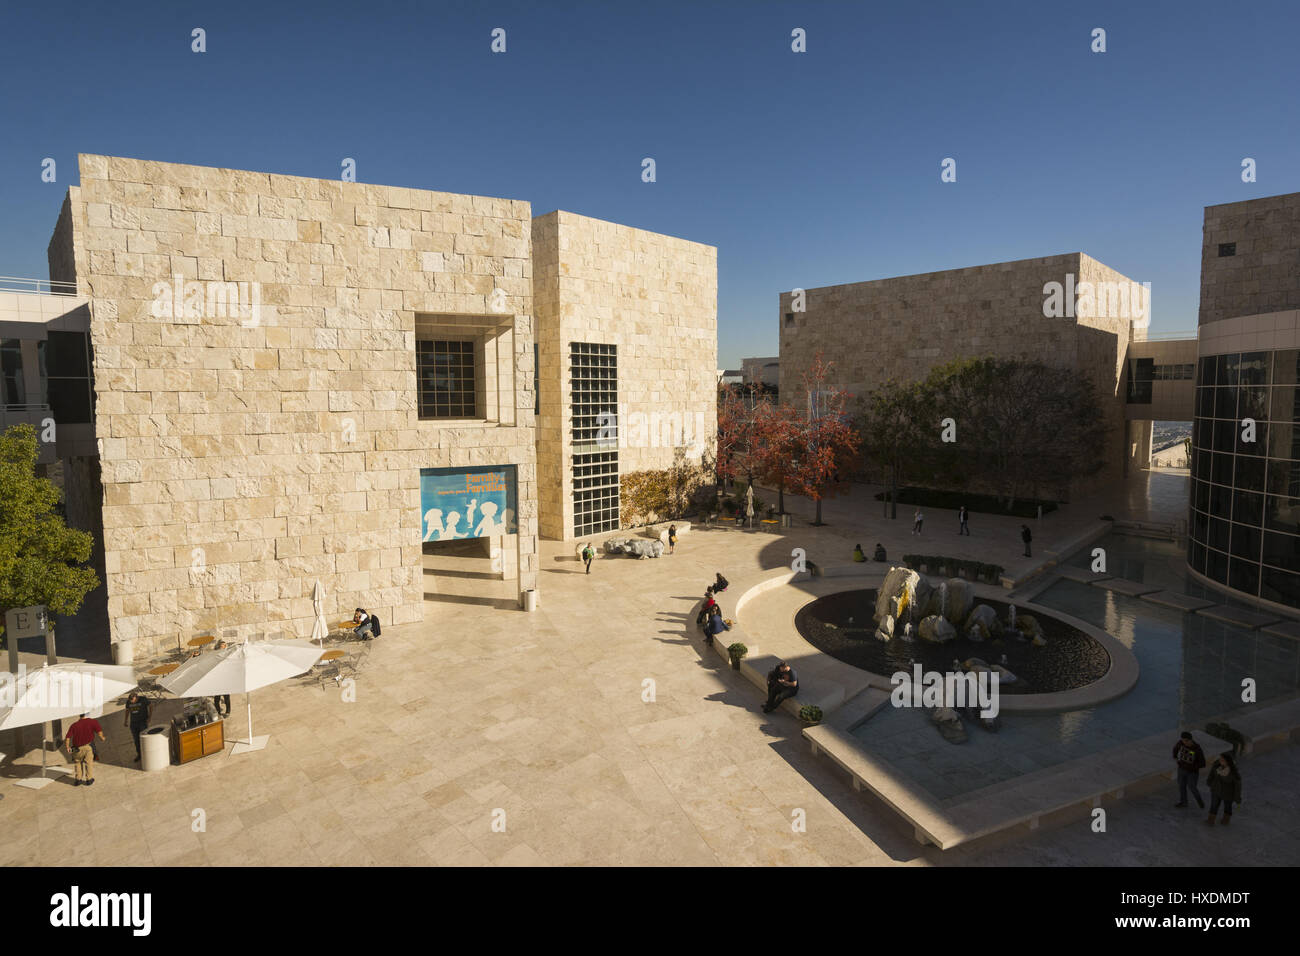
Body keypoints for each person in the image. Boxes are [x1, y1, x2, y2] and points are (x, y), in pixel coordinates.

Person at [64, 713, 105, 787]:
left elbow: (67, 738)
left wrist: (67, 747)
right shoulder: (93, 722)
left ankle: (78, 779)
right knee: (88, 763)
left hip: (76, 749)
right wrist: (102, 738)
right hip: (88, 747)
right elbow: (99, 732)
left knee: (77, 763)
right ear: (88, 714)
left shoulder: (74, 725)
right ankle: (89, 779)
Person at [1172, 731, 1207, 809]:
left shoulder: (1197, 749)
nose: (1184, 742)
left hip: (1192, 773)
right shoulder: (1181, 743)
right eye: (1183, 740)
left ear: (1190, 740)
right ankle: (1183, 802)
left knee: (1192, 787)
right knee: (1181, 786)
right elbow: (1175, 748)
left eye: (1186, 741)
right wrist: (1175, 757)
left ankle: (1200, 802)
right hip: (1181, 769)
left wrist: (1191, 767)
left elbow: (1203, 763)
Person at [1206, 751, 1242, 825]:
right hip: (1216, 790)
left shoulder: (1233, 772)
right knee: (1214, 805)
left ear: (1228, 761)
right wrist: (1210, 782)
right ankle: (1211, 820)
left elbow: (1237, 786)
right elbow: (1211, 775)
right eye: (1220, 759)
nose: (1220, 760)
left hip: (1228, 793)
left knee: (1227, 806)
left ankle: (1226, 820)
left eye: (1222, 760)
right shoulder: (1216, 766)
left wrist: (1237, 798)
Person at [123, 692, 153, 763]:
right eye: (130, 701)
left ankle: (147, 753)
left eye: (132, 700)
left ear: (136, 697)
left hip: (142, 722)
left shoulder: (143, 699)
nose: (131, 702)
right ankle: (139, 754)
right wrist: (125, 720)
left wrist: (149, 717)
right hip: (133, 723)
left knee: (144, 738)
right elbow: (127, 710)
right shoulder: (128, 702)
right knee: (136, 740)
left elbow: (151, 706)